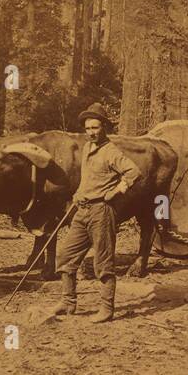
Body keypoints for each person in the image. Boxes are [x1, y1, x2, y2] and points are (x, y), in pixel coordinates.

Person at [53, 103, 140, 323]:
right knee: (65, 255)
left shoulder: (111, 151)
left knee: (102, 262)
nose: (91, 132)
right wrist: (78, 193)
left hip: (102, 212)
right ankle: (68, 301)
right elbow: (87, 178)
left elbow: (133, 171)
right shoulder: (87, 148)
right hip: (82, 210)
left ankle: (106, 309)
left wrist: (116, 191)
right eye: (88, 128)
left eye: (95, 127)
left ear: (104, 128)